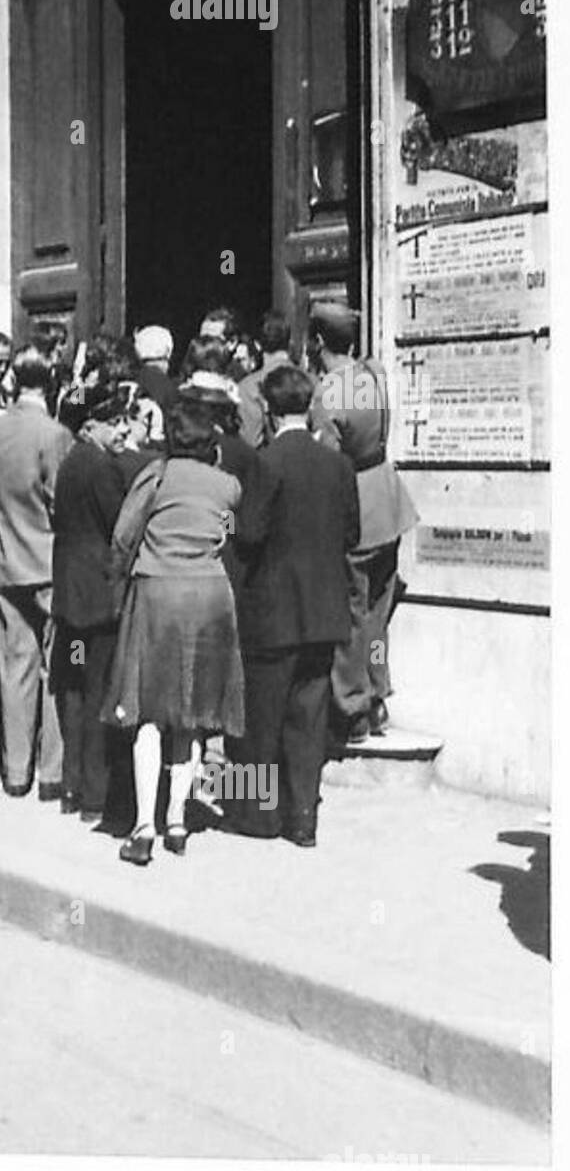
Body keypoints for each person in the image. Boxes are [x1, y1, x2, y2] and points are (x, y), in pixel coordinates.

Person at [105, 398, 244, 865]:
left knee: (148, 710)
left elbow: (125, 535)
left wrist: (118, 580)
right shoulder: (228, 486)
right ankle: (178, 821)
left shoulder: (155, 475)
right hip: (209, 597)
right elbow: (229, 532)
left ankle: (144, 826)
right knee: (192, 711)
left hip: (158, 593)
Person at [226, 366, 359, 845]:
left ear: (267, 407)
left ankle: (261, 817)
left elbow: (251, 534)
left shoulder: (265, 463)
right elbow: (352, 535)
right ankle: (304, 818)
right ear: (307, 407)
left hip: (272, 612)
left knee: (262, 719)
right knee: (309, 720)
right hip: (324, 612)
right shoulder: (338, 465)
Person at [309, 302, 418, 743]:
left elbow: (329, 465)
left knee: (352, 613)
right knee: (376, 613)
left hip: (355, 504)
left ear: (318, 342)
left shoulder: (328, 392)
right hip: (387, 500)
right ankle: (377, 697)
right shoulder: (374, 374)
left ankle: (352, 707)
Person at [0, 345, 74, 799]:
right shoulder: (55, 434)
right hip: (49, 561)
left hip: (7, 558)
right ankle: (51, 773)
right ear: (50, 381)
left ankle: (16, 771)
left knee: (15, 665)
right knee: (57, 669)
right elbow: (61, 501)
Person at [51, 389, 133, 824]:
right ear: (89, 427)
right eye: (112, 422)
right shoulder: (103, 468)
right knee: (98, 690)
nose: (121, 429)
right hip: (98, 601)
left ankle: (72, 785)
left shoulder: (72, 463)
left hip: (71, 600)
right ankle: (95, 795)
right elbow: (119, 528)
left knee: (76, 690)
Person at [238, 311, 295, 449]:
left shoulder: (249, 387)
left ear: (257, 345)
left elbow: (251, 440)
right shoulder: (311, 380)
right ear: (290, 341)